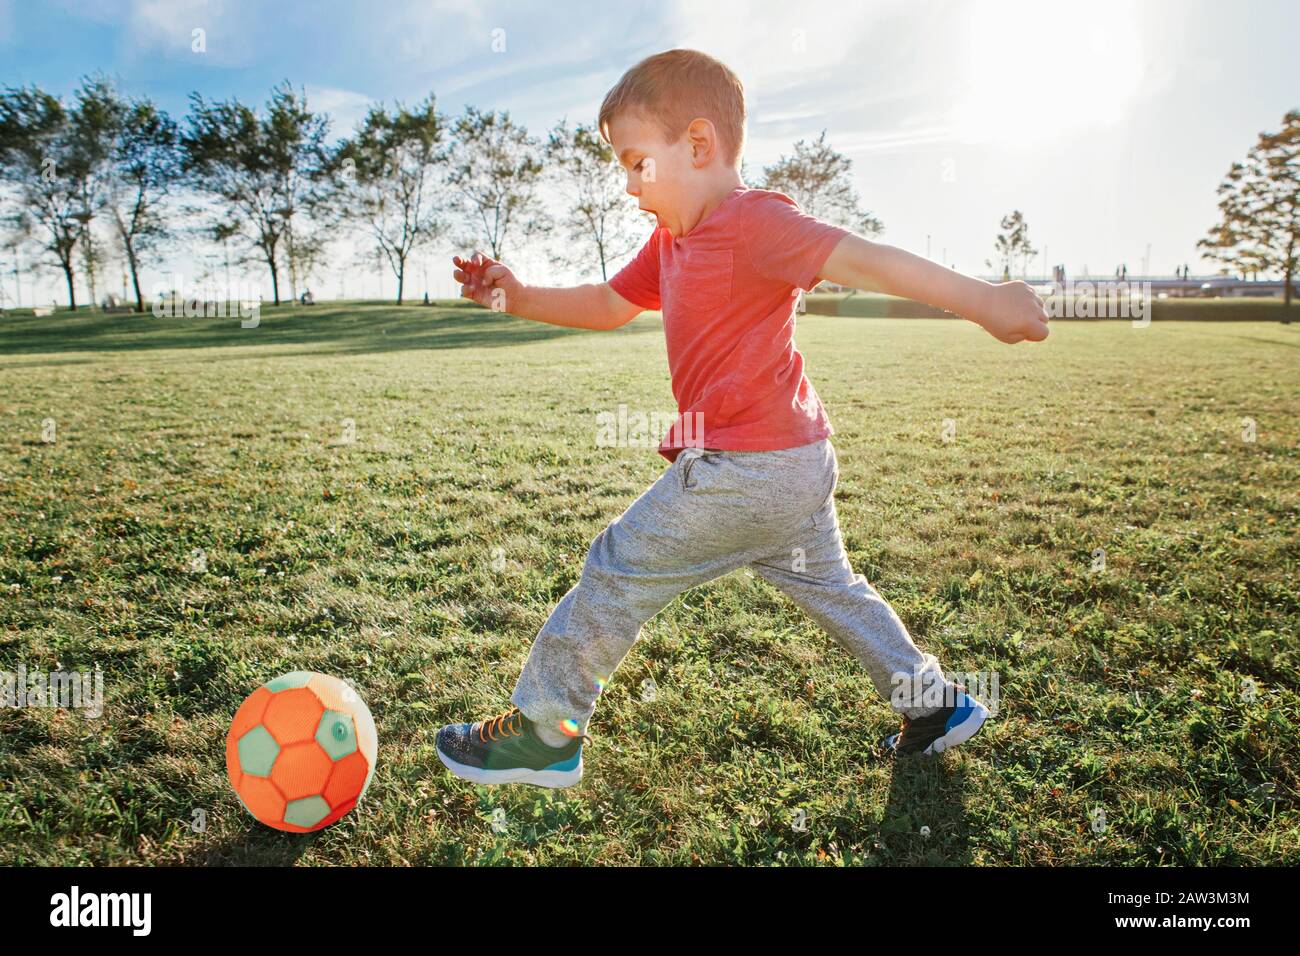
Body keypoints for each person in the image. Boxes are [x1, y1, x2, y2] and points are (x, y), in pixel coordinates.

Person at [438, 49, 1049, 788]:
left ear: (698, 145)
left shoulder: (756, 222)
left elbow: (871, 263)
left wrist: (986, 300)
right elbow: (605, 305)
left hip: (749, 469)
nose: (629, 187)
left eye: (637, 163)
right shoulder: (672, 242)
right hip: (795, 461)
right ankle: (935, 704)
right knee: (834, 589)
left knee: (616, 568)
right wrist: (515, 294)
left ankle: (544, 732)